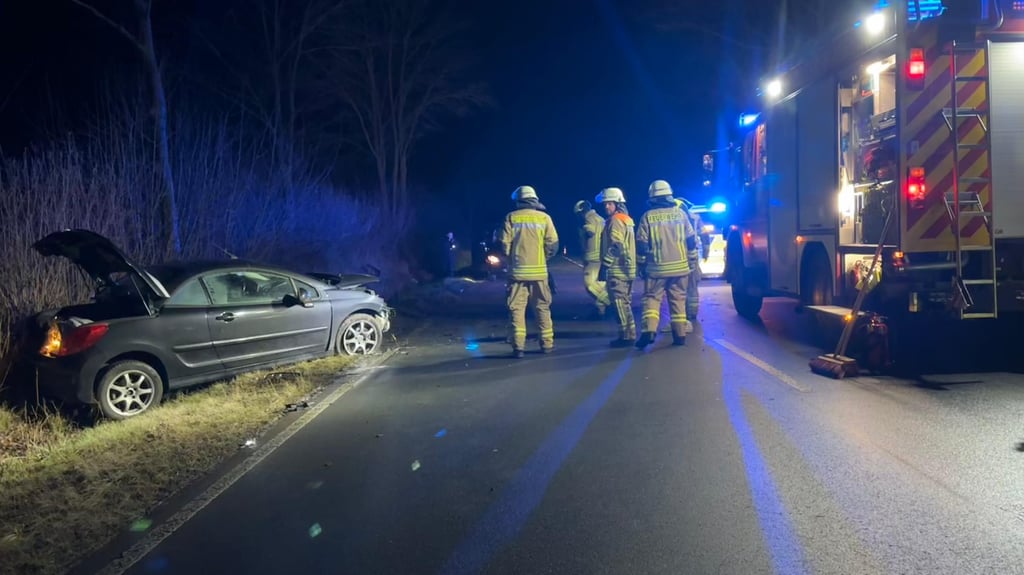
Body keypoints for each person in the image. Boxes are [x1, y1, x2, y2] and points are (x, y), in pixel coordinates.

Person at [636, 180, 698, 348]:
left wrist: (641, 266)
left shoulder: (647, 217)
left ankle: (649, 331)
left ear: (652, 198)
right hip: (680, 268)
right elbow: (691, 241)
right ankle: (680, 335)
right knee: (678, 300)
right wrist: (691, 262)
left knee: (652, 299)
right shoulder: (681, 214)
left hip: (657, 269)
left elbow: (641, 246)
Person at [499, 185, 559, 358]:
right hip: (540, 273)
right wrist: (542, 258)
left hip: (517, 273)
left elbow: (504, 245)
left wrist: (512, 259)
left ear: (518, 200)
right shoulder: (544, 218)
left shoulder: (511, 218)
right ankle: (547, 345)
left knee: (516, 309)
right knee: (542, 307)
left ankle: (518, 347)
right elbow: (553, 244)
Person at [596, 187, 637, 348]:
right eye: (605, 204)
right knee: (625, 303)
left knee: (619, 304)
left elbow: (617, 245)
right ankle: (629, 333)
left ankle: (626, 337)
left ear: (617, 203)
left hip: (617, 270)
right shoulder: (626, 219)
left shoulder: (615, 221)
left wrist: (605, 265)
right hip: (627, 269)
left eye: (610, 204)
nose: (606, 207)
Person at [573, 200, 611, 318]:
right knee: (600, 284)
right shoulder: (601, 219)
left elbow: (590, 231)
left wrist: (583, 230)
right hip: (601, 256)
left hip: (593, 258)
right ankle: (601, 310)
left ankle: (610, 303)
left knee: (590, 285)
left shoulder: (589, 219)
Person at [673, 198, 703, 321]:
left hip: (681, 254)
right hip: (692, 253)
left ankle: (684, 315)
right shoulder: (695, 217)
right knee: (692, 284)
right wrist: (706, 249)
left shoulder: (677, 218)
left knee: (680, 286)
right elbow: (703, 233)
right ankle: (692, 313)